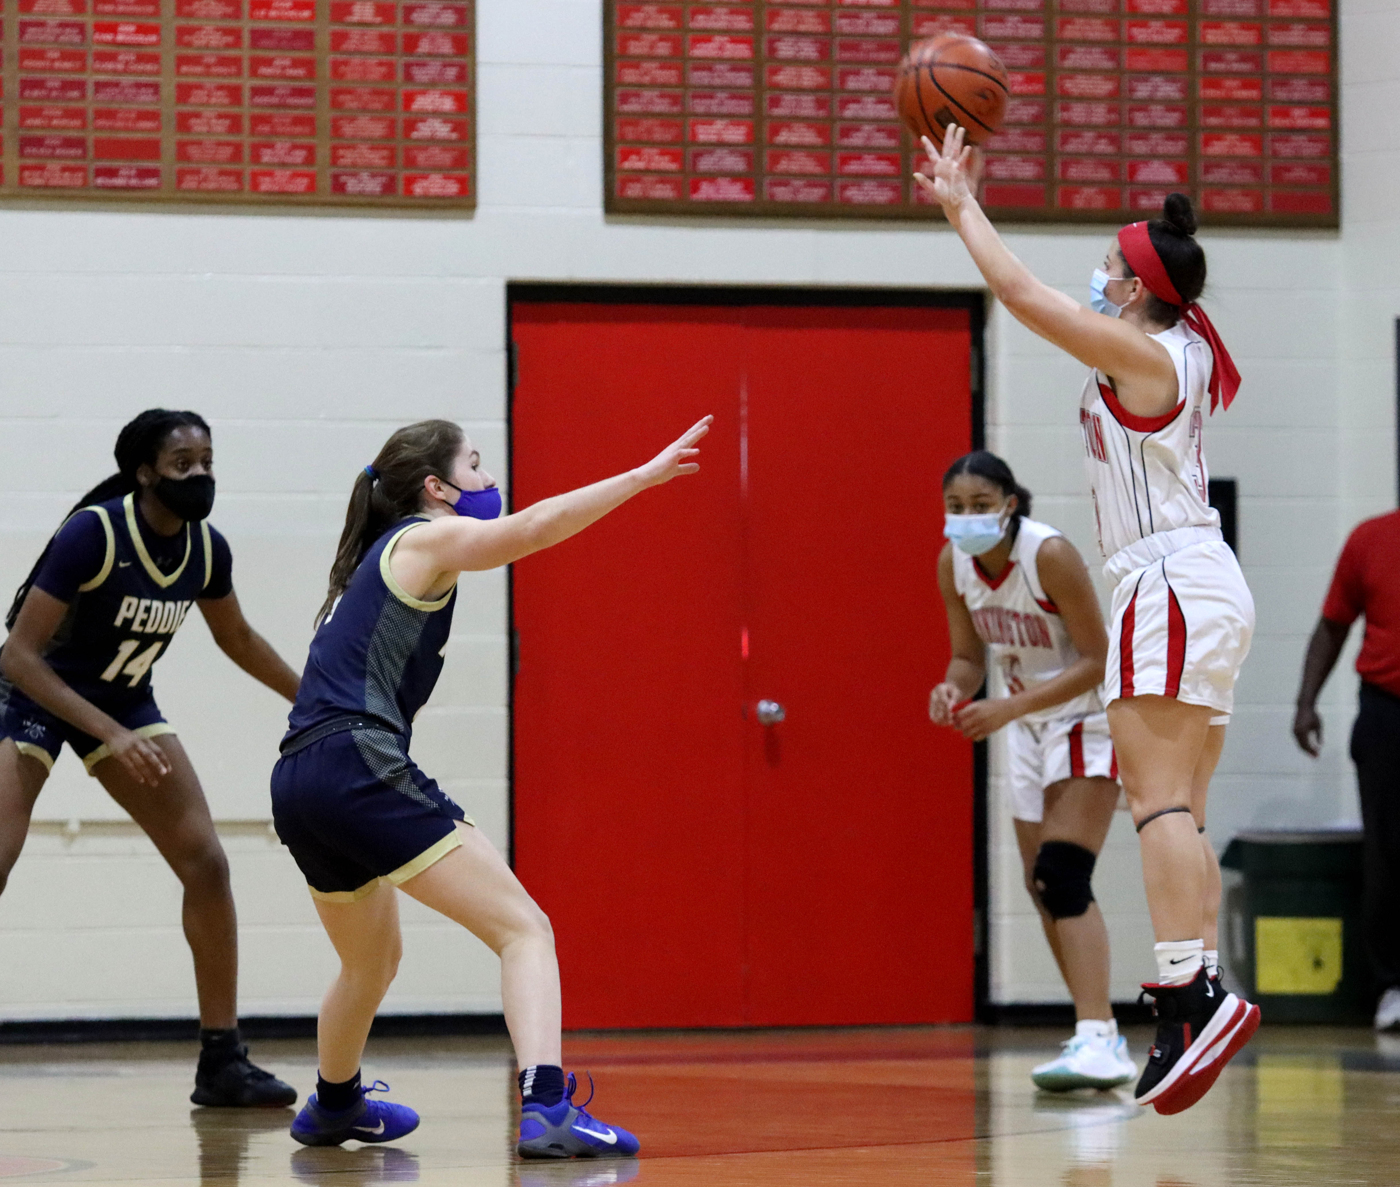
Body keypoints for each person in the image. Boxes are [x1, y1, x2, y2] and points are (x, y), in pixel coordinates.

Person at [917, 128, 1258, 1115]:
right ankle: (1198, 990)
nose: (1096, 277)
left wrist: (961, 207)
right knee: (1180, 807)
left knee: (1154, 802)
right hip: (1198, 578)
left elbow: (1022, 297)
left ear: (1139, 286)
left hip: (1166, 579)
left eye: (1108, 265)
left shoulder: (1144, 349)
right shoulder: (1176, 345)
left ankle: (1188, 995)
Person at [272, 414, 711, 1158]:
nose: (490, 478)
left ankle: (335, 1104)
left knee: (370, 961)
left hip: (298, 778)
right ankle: (548, 1107)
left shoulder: (379, 557)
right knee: (523, 929)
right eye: (475, 465)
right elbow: (532, 529)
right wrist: (641, 477)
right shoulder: (426, 537)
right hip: (355, 761)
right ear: (437, 487)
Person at [0, 409, 301, 1107]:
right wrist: (111, 732)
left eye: (208, 462)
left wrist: (314, 699)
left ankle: (222, 1060)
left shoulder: (205, 550)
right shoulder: (96, 533)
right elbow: (17, 655)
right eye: (183, 464)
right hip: (34, 693)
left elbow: (238, 637)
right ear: (145, 473)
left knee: (207, 862)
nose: (200, 475)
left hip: (123, 701)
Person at [931, 450, 1134, 1092]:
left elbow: (1098, 658)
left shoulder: (1049, 555)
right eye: (955, 507)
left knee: (1062, 873)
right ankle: (1093, 1033)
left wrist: (1009, 706)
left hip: (1086, 716)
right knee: (1040, 885)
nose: (966, 517)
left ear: (1009, 504)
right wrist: (952, 688)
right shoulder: (953, 564)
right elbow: (969, 657)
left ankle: (1101, 1036)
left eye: (980, 505)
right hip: (1025, 724)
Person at [1293, 507, 1400, 1031]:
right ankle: (1393, 986)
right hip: (1388, 713)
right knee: (1388, 852)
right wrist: (1305, 703)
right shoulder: (1371, 538)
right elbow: (1332, 626)